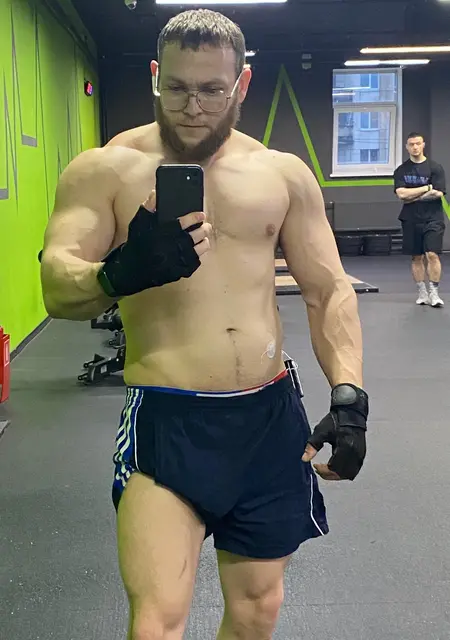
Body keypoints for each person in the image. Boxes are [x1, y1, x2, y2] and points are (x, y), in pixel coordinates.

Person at [40, 9, 368, 640]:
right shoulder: (105, 169)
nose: (193, 107)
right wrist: (119, 273)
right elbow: (57, 286)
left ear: (241, 84)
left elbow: (328, 290)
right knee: (157, 623)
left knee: (257, 610)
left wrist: (349, 396)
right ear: (155, 77)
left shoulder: (281, 173)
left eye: (213, 90)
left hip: (268, 416)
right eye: (178, 88)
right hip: (168, 417)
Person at [394, 132, 446, 307]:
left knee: (432, 254)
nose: (415, 147)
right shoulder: (401, 170)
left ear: (423, 145)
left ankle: (434, 293)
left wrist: (412, 196)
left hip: (433, 218)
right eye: (411, 144)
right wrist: (426, 188)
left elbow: (438, 193)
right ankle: (422, 292)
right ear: (407, 147)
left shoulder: (435, 168)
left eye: (418, 143)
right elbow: (401, 194)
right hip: (410, 219)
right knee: (416, 257)